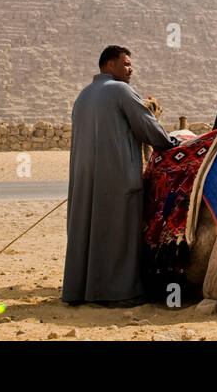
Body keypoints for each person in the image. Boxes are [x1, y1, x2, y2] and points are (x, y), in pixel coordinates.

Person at [62, 45, 175, 307]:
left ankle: (80, 291)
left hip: (85, 179)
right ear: (108, 65)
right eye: (125, 64)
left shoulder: (83, 96)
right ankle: (120, 293)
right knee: (117, 235)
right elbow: (147, 126)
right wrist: (171, 144)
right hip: (117, 178)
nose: (130, 69)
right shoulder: (120, 91)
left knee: (88, 233)